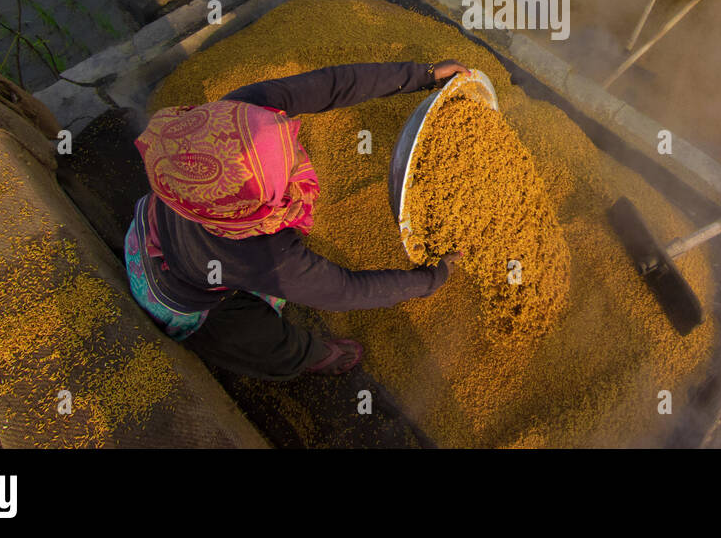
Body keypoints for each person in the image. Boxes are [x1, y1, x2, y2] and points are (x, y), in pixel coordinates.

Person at [125, 59, 468, 380]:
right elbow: (346, 291)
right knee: (260, 342)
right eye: (284, 170)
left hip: (145, 226)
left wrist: (422, 75)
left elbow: (329, 84)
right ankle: (314, 356)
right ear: (253, 207)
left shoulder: (233, 120)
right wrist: (431, 278)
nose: (296, 161)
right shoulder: (264, 255)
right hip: (170, 294)